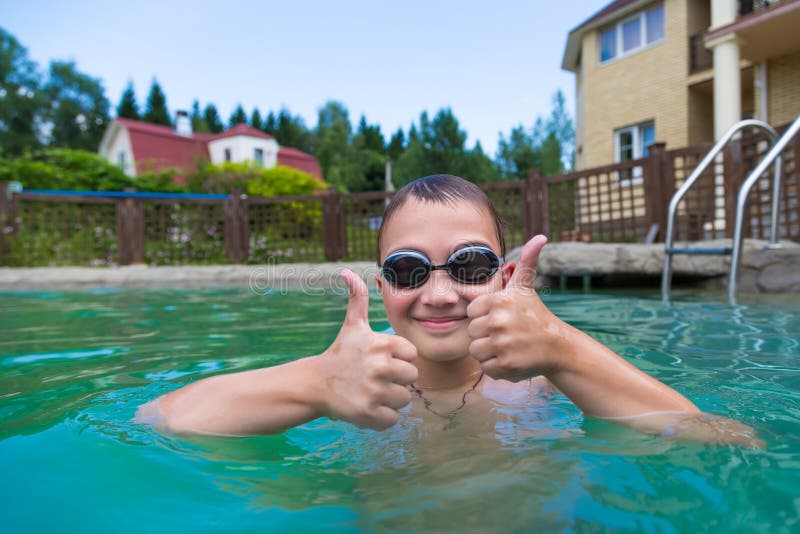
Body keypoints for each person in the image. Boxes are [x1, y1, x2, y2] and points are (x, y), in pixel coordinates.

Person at [136, 174, 762, 447]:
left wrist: (565, 347)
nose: (438, 294)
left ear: (507, 277)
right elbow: (154, 420)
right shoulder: (352, 387)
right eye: (409, 270)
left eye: (467, 266)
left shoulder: (543, 386)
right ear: (383, 287)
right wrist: (314, 382)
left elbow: (724, 441)